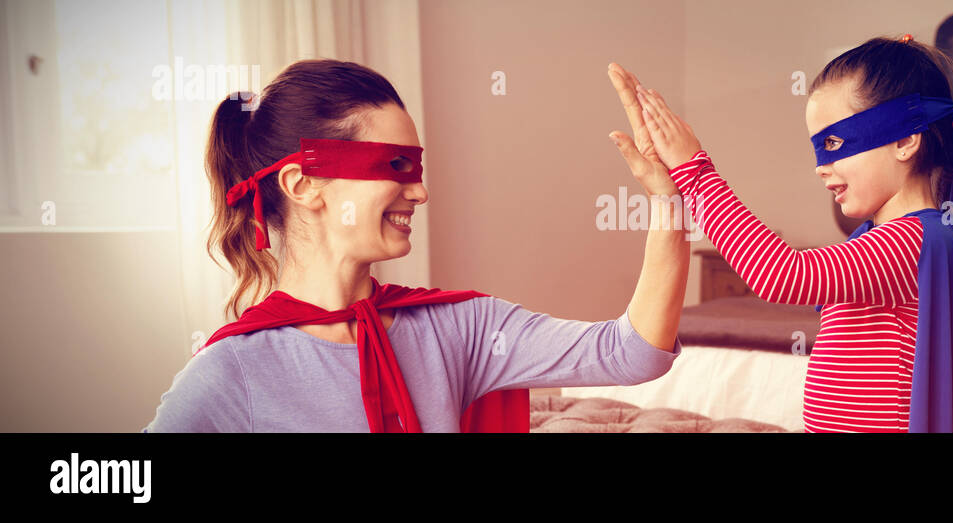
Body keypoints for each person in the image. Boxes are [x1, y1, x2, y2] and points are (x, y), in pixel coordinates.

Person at [144, 59, 689, 432]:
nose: (421, 191)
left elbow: (633, 351)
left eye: (417, 166)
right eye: (395, 166)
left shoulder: (461, 328)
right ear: (303, 184)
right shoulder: (233, 370)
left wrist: (668, 202)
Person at [614, 35, 953, 432]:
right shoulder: (905, 237)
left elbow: (783, 275)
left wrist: (694, 172)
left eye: (833, 143)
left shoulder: (911, 241)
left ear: (904, 140)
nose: (820, 166)